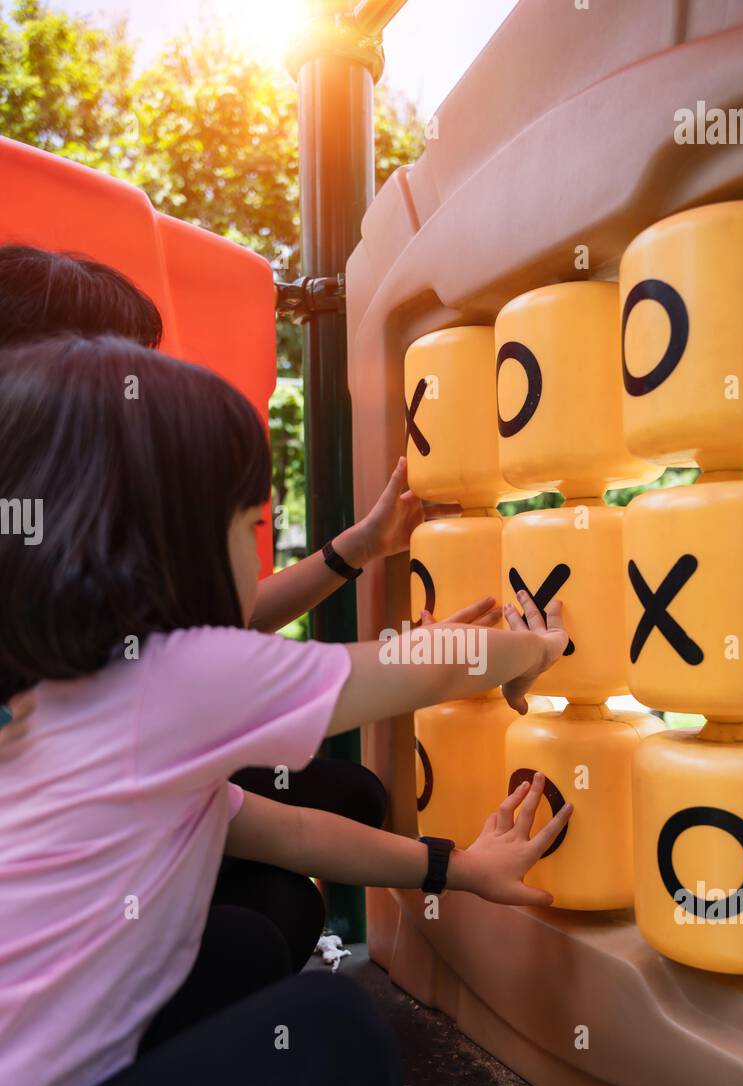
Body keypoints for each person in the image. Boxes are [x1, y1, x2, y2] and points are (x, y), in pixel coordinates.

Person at [0, 334, 570, 1086]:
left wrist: (457, 868)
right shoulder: (171, 683)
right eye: (250, 525)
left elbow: (288, 831)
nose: (256, 549)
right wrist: (526, 646)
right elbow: (413, 673)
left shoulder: (62, 704)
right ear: (163, 541)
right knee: (329, 1040)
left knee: (263, 970)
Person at [0, 244, 501, 970]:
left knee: (336, 809)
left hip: (104, 812)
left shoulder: (71, 522)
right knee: (267, 926)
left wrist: (357, 549)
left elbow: (196, 638)